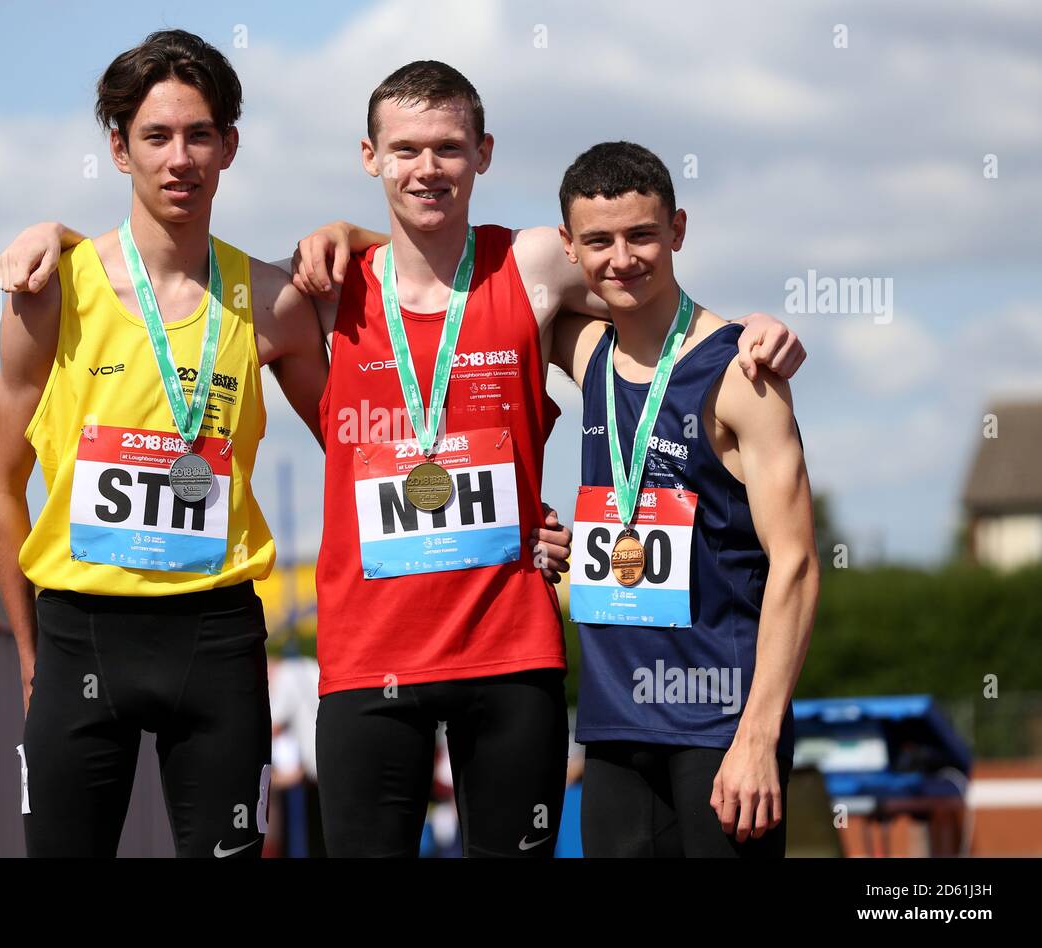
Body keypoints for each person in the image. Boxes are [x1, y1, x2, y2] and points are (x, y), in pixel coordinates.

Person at [288, 61, 806, 857]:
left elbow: (655, 301)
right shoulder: (327, 291)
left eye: (449, 148)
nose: (428, 168)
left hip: (525, 657)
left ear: (484, 153)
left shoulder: (531, 267)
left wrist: (757, 328)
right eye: (406, 150)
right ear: (370, 156)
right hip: (400, 669)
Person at [0, 28, 330, 858]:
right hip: (79, 634)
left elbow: (355, 449)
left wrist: (355, 231)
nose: (181, 159)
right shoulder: (51, 290)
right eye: (156, 137)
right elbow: (0, 483)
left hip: (216, 639)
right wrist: (32, 653)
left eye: (200, 134)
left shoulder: (272, 303)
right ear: (118, 148)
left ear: (230, 146)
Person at [550, 141, 819, 856]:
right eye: (598, 241)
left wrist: (758, 736)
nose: (622, 258)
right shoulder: (585, 352)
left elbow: (795, 564)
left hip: (720, 729)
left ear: (678, 231)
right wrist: (347, 235)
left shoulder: (741, 375)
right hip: (614, 731)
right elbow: (462, 263)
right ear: (568, 247)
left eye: (642, 234)